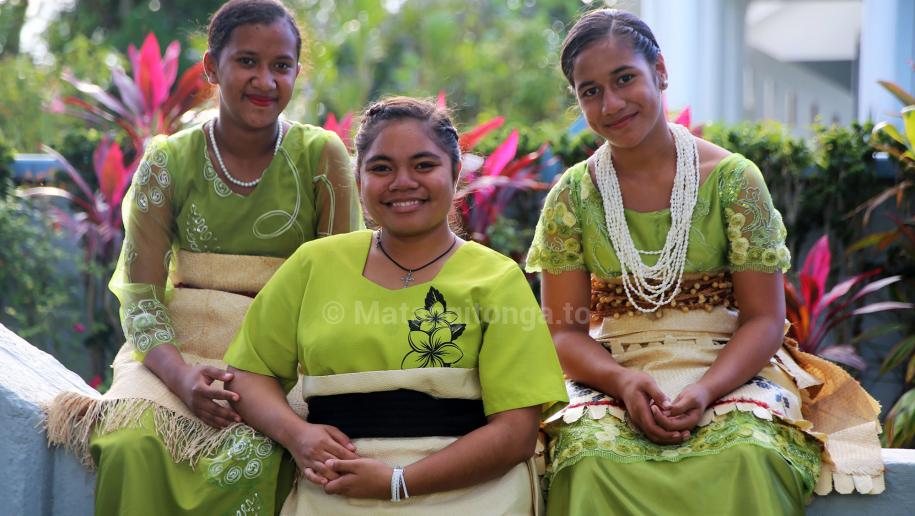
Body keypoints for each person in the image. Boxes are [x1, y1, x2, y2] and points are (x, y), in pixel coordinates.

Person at [525, 8, 884, 516]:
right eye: (590, 91)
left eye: (625, 78)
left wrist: (706, 389)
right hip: (614, 370)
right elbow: (564, 333)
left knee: (747, 451)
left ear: (661, 71)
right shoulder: (572, 197)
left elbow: (764, 319)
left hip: (729, 366)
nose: (612, 103)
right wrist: (624, 383)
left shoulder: (735, 180)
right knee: (587, 458)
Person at [45, 1, 362, 514]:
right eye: (247, 62)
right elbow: (142, 298)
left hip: (283, 359)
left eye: (281, 66)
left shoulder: (320, 156)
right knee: (129, 445)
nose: (265, 80)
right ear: (212, 67)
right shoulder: (168, 161)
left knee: (255, 456)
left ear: (297, 74)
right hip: (179, 351)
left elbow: (345, 284)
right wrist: (183, 379)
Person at [222, 96, 568, 514]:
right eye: (381, 168)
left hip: (472, 494)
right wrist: (297, 435)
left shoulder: (496, 279)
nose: (403, 181)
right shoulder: (313, 264)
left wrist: (397, 482)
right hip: (335, 491)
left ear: (456, 173)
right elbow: (247, 374)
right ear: (358, 176)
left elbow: (515, 433)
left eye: (424, 165)